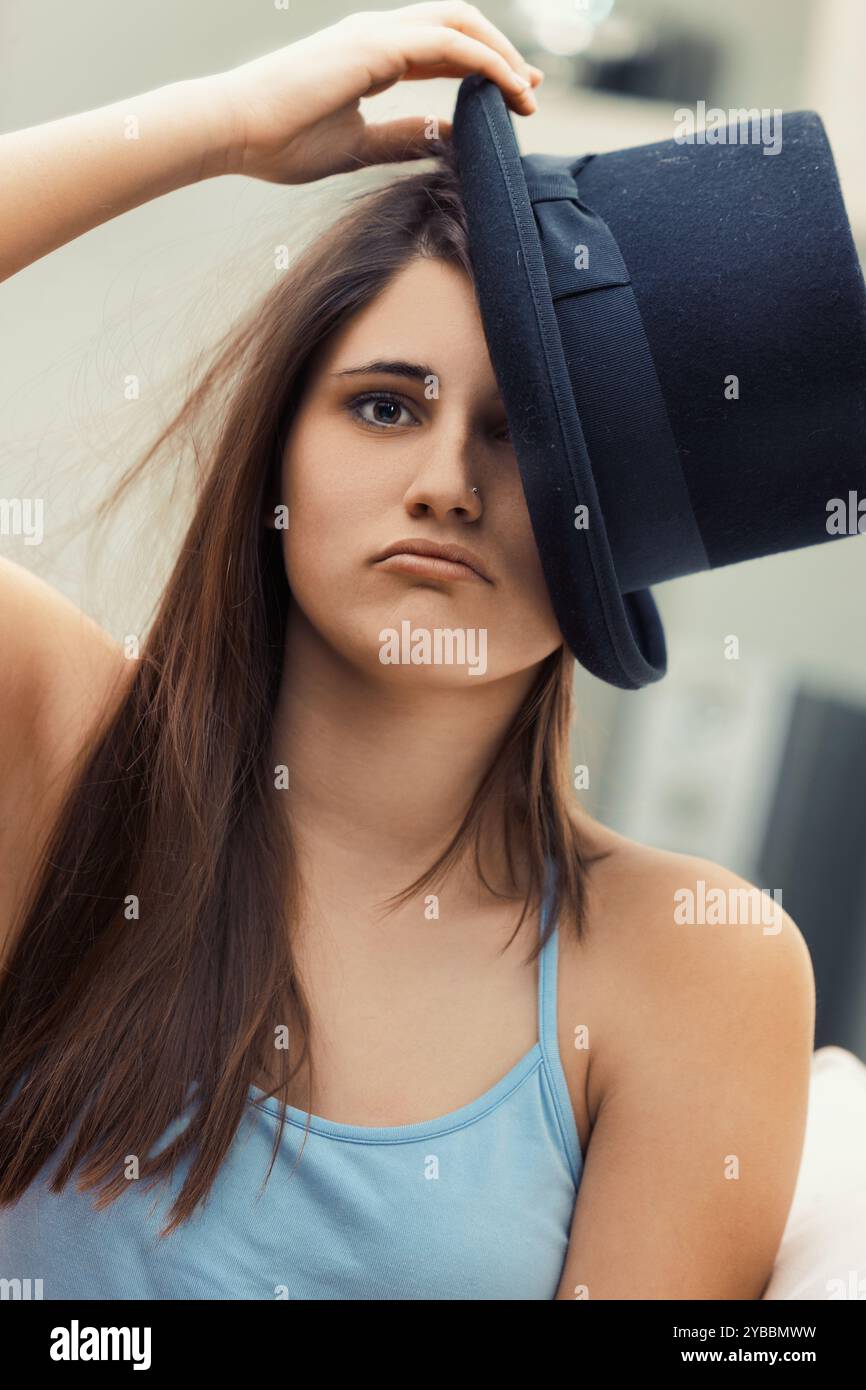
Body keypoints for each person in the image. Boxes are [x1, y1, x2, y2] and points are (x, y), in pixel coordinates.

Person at [0, 3, 814, 1300]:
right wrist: (214, 126)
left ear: (612, 535)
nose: (444, 482)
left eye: (520, 432)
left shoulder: (695, 966)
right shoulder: (53, 740)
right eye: (385, 403)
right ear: (281, 444)